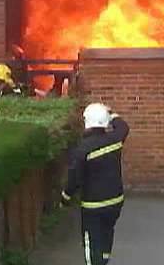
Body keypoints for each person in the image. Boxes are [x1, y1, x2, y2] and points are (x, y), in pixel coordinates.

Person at [61, 103, 130, 265]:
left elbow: (74, 178)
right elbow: (123, 126)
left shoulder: (83, 149)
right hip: (115, 202)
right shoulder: (115, 138)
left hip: (94, 206)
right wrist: (110, 113)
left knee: (92, 244)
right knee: (106, 237)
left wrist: (65, 197)